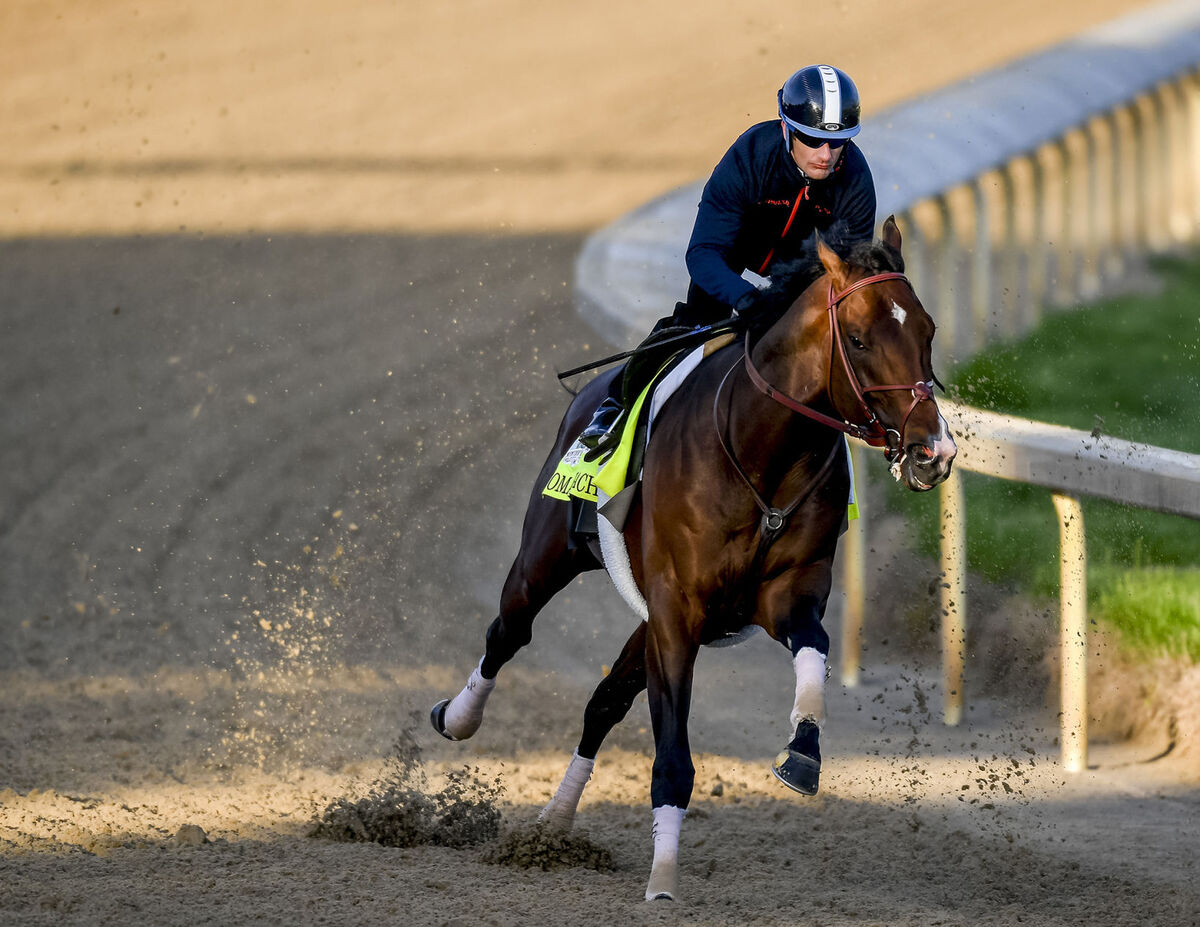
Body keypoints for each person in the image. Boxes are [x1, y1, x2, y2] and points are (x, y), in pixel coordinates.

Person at [580, 64, 878, 452]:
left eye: (837, 143)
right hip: (736, 248)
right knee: (695, 321)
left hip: (808, 268)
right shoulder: (751, 156)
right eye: (811, 139)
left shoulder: (855, 179)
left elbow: (844, 278)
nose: (825, 155)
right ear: (787, 128)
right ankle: (616, 407)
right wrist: (745, 298)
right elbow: (703, 253)